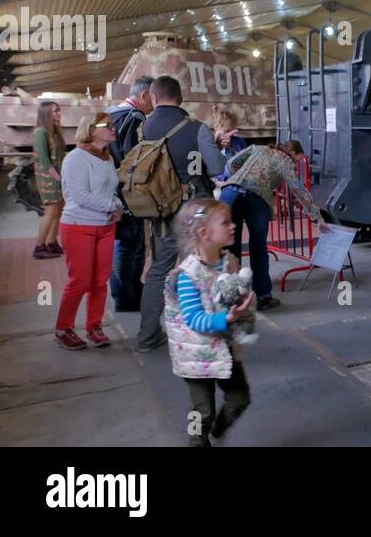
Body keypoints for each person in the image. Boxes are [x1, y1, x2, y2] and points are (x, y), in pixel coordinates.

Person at [137, 76, 231, 353]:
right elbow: (217, 169)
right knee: (199, 271)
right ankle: (200, 332)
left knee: (158, 271)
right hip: (195, 214)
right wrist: (218, 148)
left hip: (159, 210)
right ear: (180, 97)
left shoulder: (142, 128)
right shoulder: (196, 128)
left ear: (153, 98)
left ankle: (147, 335)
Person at [166, 198, 254, 447]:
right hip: (196, 353)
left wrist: (242, 305)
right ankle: (197, 441)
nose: (233, 226)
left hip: (224, 349)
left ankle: (217, 429)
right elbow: (193, 319)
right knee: (202, 411)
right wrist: (227, 318)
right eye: (226, 222)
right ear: (204, 233)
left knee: (240, 399)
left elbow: (231, 293)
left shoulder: (230, 261)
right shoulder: (188, 275)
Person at [219, 140, 325, 310]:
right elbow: (298, 188)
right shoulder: (285, 160)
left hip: (230, 192)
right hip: (257, 198)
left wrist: (236, 178)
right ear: (292, 154)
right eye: (297, 160)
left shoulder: (257, 147)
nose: (296, 165)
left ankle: (230, 299)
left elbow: (232, 163)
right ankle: (263, 297)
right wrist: (316, 217)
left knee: (229, 248)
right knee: (258, 249)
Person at [54, 113, 124, 350]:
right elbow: (80, 196)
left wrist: (118, 207)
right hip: (78, 226)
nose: (113, 129)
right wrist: (112, 207)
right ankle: (64, 329)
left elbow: (110, 191)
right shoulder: (75, 158)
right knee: (80, 281)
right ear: (91, 130)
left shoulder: (107, 158)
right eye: (108, 125)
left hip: (105, 227)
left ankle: (94, 326)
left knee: (100, 281)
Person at [107, 75, 154, 312]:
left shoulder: (110, 115)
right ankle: (124, 295)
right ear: (144, 95)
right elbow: (136, 160)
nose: (153, 105)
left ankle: (129, 288)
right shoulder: (135, 119)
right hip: (129, 191)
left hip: (111, 189)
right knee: (129, 244)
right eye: (152, 98)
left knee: (125, 242)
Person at [33, 100, 66, 259]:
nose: (59, 113)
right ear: (46, 114)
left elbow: (61, 155)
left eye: (59, 110)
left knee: (58, 210)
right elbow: (45, 161)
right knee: (51, 211)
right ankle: (39, 247)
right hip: (49, 178)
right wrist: (59, 178)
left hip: (57, 176)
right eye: (55, 111)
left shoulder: (55, 131)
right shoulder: (40, 132)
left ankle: (52, 243)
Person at [213, 109, 247, 183]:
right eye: (227, 131)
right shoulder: (209, 143)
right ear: (216, 127)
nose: (230, 135)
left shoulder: (239, 142)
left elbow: (245, 163)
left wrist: (231, 149)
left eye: (232, 131)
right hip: (217, 181)